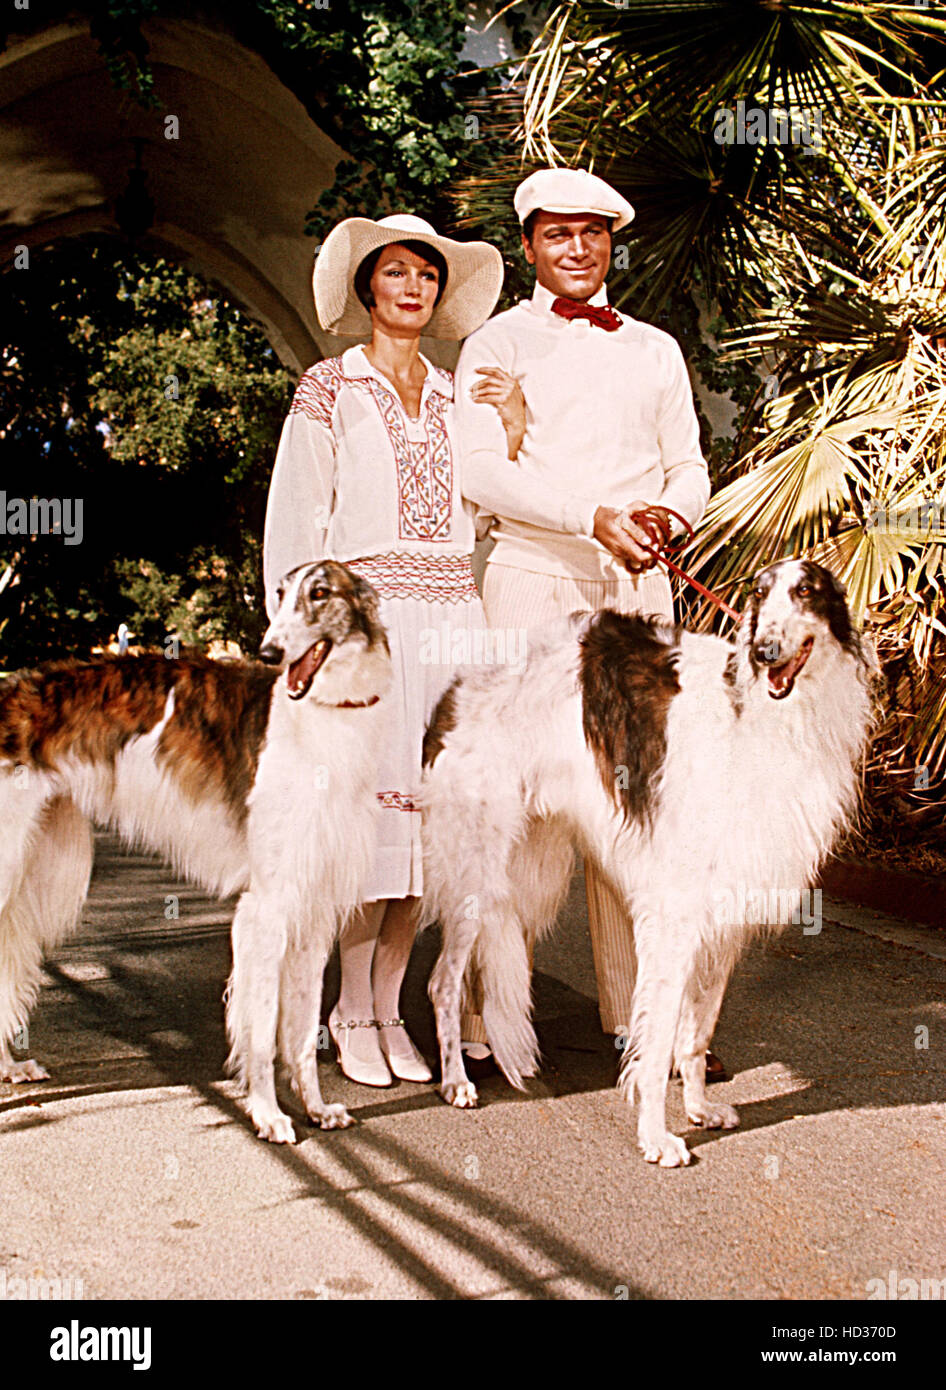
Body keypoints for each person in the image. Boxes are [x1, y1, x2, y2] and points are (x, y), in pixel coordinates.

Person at [453, 168, 726, 1081]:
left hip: (639, 593)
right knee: (516, 809)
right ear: (529, 245)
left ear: (613, 241)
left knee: (639, 804)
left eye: (593, 234)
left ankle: (647, 1027)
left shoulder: (653, 349)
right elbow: (484, 474)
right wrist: (589, 515)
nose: (578, 250)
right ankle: (491, 1022)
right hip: (530, 586)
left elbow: (689, 465)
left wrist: (666, 516)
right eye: (558, 235)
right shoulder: (495, 342)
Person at [263, 214, 524, 1088]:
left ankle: (391, 1004)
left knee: (433, 827)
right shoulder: (329, 389)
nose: (412, 287)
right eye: (395, 272)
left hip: (454, 616)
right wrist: (305, 637)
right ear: (368, 287)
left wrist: (514, 425)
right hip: (368, 631)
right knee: (367, 825)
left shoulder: (462, 396)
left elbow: (494, 501)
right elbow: (297, 520)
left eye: (426, 275)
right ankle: (347, 1009)